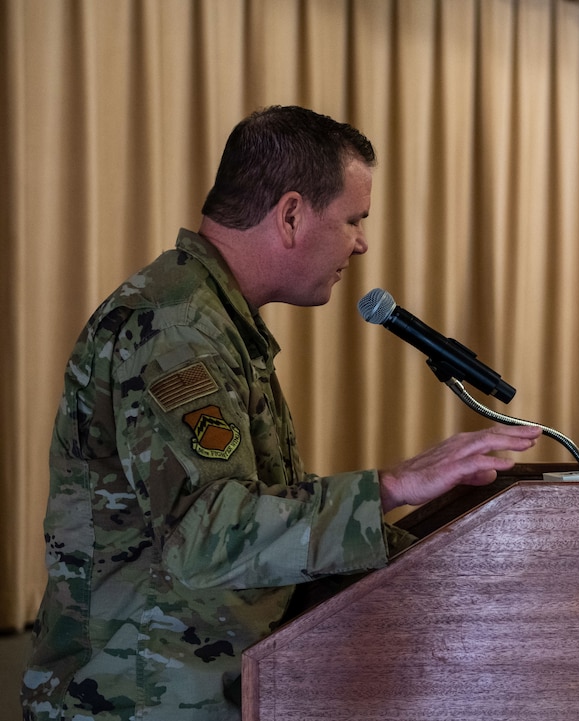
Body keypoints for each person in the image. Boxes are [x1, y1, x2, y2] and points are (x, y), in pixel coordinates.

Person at [21, 105, 542, 721]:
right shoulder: (175, 327)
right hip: (131, 697)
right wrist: (391, 487)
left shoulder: (210, 316)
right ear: (292, 215)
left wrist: (452, 559)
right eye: (353, 219)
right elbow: (205, 535)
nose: (361, 242)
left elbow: (250, 508)